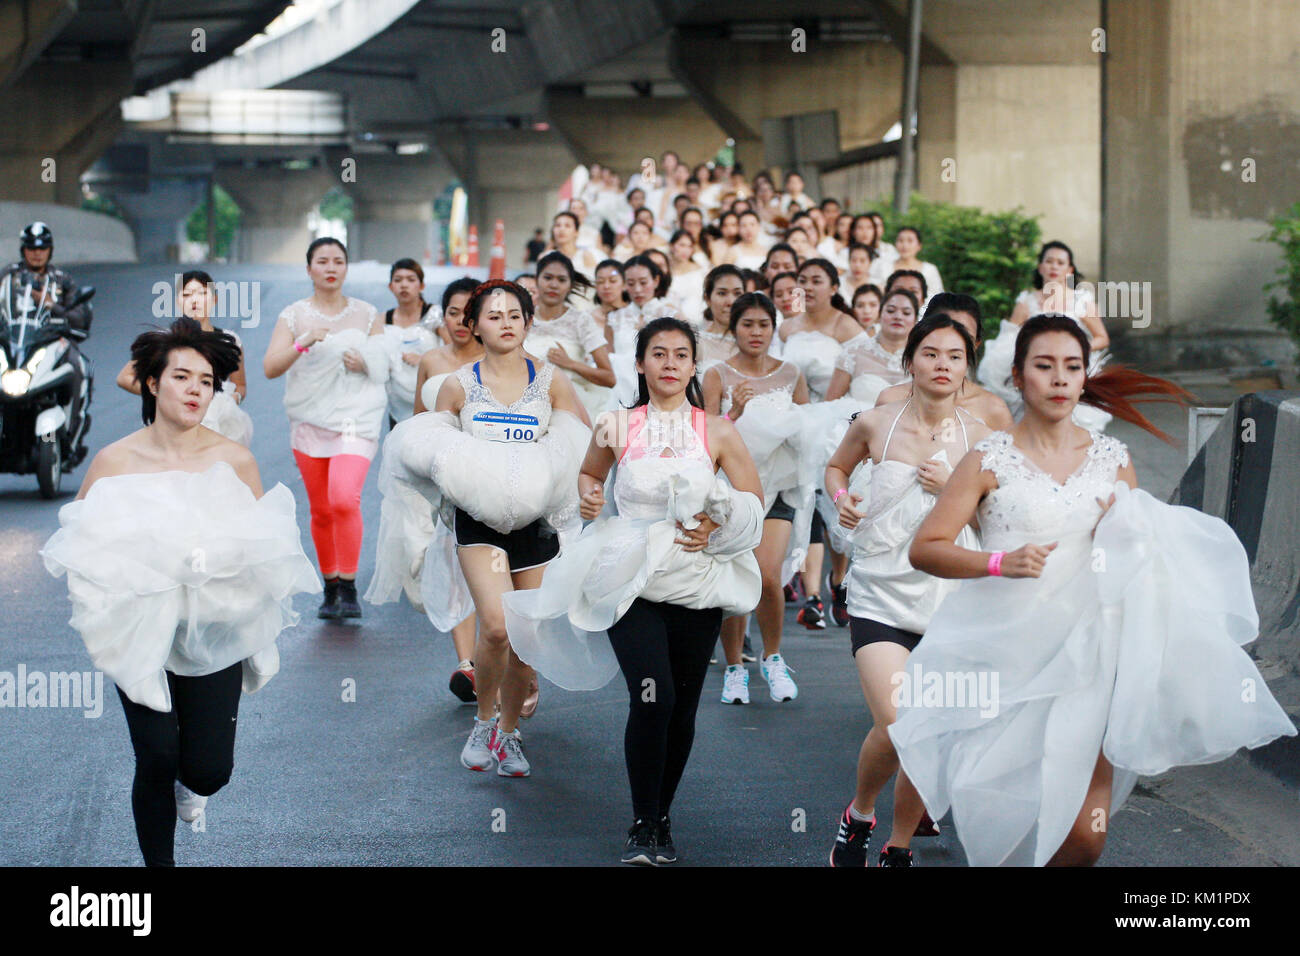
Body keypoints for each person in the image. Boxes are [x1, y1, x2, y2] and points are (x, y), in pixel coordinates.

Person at [891, 313, 1297, 866]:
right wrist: (997, 561)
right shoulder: (987, 459)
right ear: (1017, 376)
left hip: (1090, 658)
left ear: (1085, 378)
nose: (1059, 379)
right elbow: (927, 546)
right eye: (1044, 366)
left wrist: (1126, 533)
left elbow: (1137, 557)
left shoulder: (1113, 459)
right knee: (1012, 817)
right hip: (1004, 657)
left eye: (1072, 367)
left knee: (1085, 834)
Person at [42, 318, 319, 866]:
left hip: (214, 628)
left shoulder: (233, 460)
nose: (196, 390)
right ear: (152, 383)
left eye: (207, 381)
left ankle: (193, 788)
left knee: (208, 770)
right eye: (182, 377)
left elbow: (265, 553)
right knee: (156, 755)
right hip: (137, 632)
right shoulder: (114, 462)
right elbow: (79, 547)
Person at [501, 317, 765, 864]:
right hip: (628, 574)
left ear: (694, 367)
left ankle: (662, 816)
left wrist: (715, 525)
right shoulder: (616, 424)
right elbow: (589, 476)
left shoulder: (716, 429)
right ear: (640, 363)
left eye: (681, 356)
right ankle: (643, 823)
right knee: (654, 695)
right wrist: (592, 498)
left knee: (683, 707)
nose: (670, 364)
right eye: (659, 354)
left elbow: (751, 497)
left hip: (696, 580)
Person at [390, 280, 591, 777]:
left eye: (514, 314)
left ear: (528, 322)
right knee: (498, 627)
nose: (505, 322)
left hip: (536, 521)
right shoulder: (458, 385)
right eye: (493, 315)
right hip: (478, 523)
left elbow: (586, 446)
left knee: (528, 634)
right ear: (473, 325)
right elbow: (427, 448)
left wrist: (586, 487)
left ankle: (509, 734)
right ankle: (482, 723)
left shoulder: (551, 381)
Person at [824, 315, 990, 867]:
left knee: (929, 731)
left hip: (951, 603)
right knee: (900, 724)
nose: (942, 365)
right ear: (910, 361)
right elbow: (835, 468)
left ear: (967, 368)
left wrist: (956, 490)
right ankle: (860, 815)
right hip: (879, 595)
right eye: (931, 354)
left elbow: (1000, 516)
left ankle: (897, 847)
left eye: (955, 356)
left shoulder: (984, 440)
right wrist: (844, 494)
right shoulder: (875, 423)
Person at [368, 276, 484, 703]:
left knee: (488, 568)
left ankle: (500, 659)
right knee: (450, 562)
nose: (461, 321)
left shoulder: (501, 362)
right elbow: (419, 425)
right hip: (441, 481)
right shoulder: (432, 361)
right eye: (453, 311)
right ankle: (467, 665)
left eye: (470, 313)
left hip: (489, 479)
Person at [263, 238, 387, 620]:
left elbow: (384, 364)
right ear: (309, 269)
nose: (331, 267)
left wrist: (364, 361)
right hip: (309, 420)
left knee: (342, 497)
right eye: (322, 261)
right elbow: (271, 367)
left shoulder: (368, 314)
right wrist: (303, 342)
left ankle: (349, 588)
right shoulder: (293, 315)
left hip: (356, 418)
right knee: (319, 508)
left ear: (346, 268)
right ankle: (330, 586)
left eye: (338, 261)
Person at [702, 294, 810, 705]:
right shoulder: (717, 375)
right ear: (735, 328)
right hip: (735, 489)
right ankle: (734, 668)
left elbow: (808, 429)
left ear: (773, 327)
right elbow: (710, 434)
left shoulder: (791, 373)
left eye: (763, 324)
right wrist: (737, 414)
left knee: (767, 575)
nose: (756, 333)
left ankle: (774, 657)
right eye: (747, 324)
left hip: (779, 486)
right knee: (737, 580)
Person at [779, 259, 866, 630]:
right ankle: (813, 594)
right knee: (805, 502)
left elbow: (863, 370)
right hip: (793, 419)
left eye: (817, 281)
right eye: (802, 281)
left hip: (834, 420)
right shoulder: (786, 328)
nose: (808, 287)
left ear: (833, 287)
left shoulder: (846, 326)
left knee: (833, 506)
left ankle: (838, 580)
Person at [983, 241, 1110, 430]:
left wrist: (1077, 351)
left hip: (1071, 368)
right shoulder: (1026, 301)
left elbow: (1102, 337)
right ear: (1040, 267)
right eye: (1049, 261)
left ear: (1070, 270)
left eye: (1060, 263)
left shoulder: (1081, 300)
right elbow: (1009, 338)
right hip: (1038, 368)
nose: (1054, 267)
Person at [117, 270, 253, 446]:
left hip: (219, 424)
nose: (194, 300)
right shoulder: (166, 340)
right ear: (178, 302)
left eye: (203, 293)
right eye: (187, 294)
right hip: (174, 424)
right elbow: (124, 377)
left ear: (214, 299)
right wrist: (165, 393)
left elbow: (240, 385)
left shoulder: (230, 340)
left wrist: (232, 399)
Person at [4, 221, 93, 457]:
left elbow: (81, 316)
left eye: (42, 248)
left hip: (52, 343)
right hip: (11, 343)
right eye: (31, 247)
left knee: (78, 366)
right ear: (23, 250)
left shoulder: (62, 280)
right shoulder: (8, 277)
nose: (36, 253)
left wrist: (53, 306)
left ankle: (71, 432)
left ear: (50, 250)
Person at [875, 293, 1015, 431]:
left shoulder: (994, 410)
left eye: (964, 338)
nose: (951, 343)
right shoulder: (890, 400)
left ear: (976, 345)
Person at [525, 251, 616, 420]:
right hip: (525, 404)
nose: (554, 285)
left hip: (570, 407)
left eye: (561, 280)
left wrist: (570, 364)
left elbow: (609, 378)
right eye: (548, 278)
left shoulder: (581, 321)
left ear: (570, 285)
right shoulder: (522, 319)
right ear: (537, 280)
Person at [607, 254, 679, 406]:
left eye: (643, 282)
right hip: (620, 390)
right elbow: (608, 359)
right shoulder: (614, 318)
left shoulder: (671, 314)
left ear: (656, 281)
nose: (637, 289)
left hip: (660, 386)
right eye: (631, 283)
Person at [380, 258, 442, 426]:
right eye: (398, 280)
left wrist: (424, 361)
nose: (404, 285)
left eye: (411, 279)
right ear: (390, 286)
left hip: (430, 403)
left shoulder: (433, 316)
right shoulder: (383, 320)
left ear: (422, 286)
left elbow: (455, 351)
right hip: (398, 404)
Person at [695, 265, 743, 376]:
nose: (730, 301)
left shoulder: (756, 340)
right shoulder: (696, 343)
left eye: (737, 293)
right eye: (722, 293)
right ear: (707, 299)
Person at [890, 227, 943, 297]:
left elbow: (938, 297)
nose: (905, 245)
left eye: (910, 241)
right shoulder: (884, 267)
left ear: (919, 246)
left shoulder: (930, 270)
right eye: (900, 240)